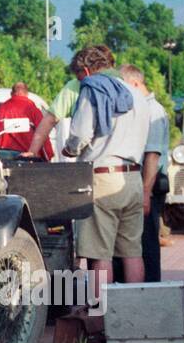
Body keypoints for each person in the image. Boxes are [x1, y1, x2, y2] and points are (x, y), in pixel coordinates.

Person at [61, 46, 151, 296]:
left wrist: (69, 149)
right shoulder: (137, 95)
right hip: (133, 177)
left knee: (100, 255)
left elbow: (80, 134)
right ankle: (135, 316)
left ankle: (102, 320)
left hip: (103, 177)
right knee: (132, 252)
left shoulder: (93, 89)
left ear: (86, 70)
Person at [22, 44, 119, 159]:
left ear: (86, 71)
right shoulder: (127, 87)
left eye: (79, 76)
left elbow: (51, 121)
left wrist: (70, 149)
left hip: (95, 164)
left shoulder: (76, 86)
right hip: (129, 165)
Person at [119, 64, 170, 282]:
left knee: (147, 244)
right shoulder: (144, 109)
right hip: (144, 183)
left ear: (135, 84)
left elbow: (152, 155)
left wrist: (145, 192)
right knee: (137, 243)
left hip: (149, 183)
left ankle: (149, 291)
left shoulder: (153, 111)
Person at [0, 82, 52, 158]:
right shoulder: (34, 110)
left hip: (5, 157)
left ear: (11, 94)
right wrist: (49, 154)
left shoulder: (1, 110)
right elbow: (43, 133)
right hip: (29, 158)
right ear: (27, 94)